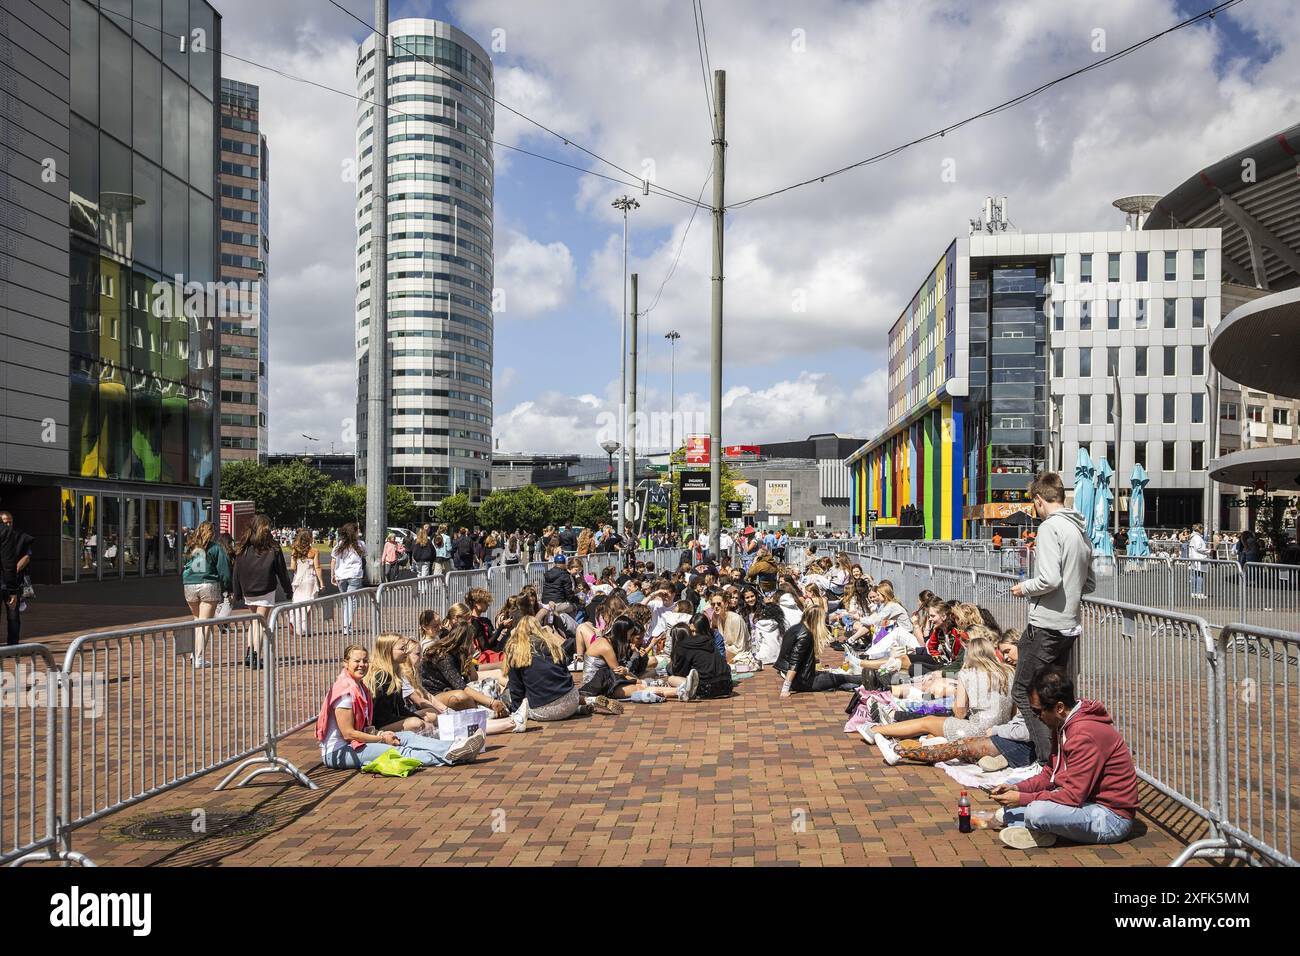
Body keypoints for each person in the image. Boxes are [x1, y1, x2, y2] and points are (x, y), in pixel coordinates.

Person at [988, 669, 1138, 849]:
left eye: (1038, 711)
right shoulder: (1062, 723)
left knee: (1036, 812)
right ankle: (1041, 829)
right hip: (1085, 802)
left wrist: (1022, 799)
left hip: (1111, 817)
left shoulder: (1084, 735)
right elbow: (1050, 774)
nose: (1037, 717)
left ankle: (1041, 829)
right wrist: (1017, 788)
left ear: (1059, 707)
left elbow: (1072, 796)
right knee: (1013, 785)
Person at [1009, 471, 1096, 763]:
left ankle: (1047, 761)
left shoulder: (1049, 528)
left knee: (1022, 691)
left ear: (1038, 500)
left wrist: (1024, 588)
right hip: (1069, 626)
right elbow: (1090, 583)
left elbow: (1047, 580)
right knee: (1057, 697)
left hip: (1046, 625)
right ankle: (1064, 757)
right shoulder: (1080, 530)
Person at [317, 644, 486, 770]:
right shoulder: (345, 692)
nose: (362, 664)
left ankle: (455, 747)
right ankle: (453, 757)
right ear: (345, 663)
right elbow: (348, 733)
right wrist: (381, 738)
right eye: (356, 661)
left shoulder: (359, 686)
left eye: (365, 660)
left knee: (407, 737)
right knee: (400, 751)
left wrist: (381, 734)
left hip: (357, 741)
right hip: (338, 751)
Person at [866, 629, 1014, 764]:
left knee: (927, 722)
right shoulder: (1009, 672)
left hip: (976, 730)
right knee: (933, 733)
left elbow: (960, 713)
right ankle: (905, 748)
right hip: (999, 732)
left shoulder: (967, 674)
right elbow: (1013, 709)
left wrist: (958, 695)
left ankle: (875, 731)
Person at [233, 514, 293, 668]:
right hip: (265, 587)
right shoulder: (272, 547)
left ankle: (249, 653)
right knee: (260, 621)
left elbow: (237, 570)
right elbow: (281, 571)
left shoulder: (243, 547)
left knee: (255, 621)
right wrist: (288, 590)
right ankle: (254, 655)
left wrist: (237, 591)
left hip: (248, 588)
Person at [775, 604, 866, 696]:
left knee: (834, 677)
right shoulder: (805, 635)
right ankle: (868, 679)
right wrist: (785, 688)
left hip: (797, 676)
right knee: (842, 678)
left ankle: (855, 684)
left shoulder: (795, 628)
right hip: (804, 681)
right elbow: (794, 662)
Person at [181, 520, 233, 667]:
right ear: (211, 533)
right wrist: (227, 588)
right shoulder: (216, 548)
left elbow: (185, 564)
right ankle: (198, 657)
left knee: (197, 620)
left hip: (190, 584)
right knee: (205, 623)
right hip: (208, 584)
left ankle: (194, 653)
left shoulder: (190, 547)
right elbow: (224, 570)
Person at [331, 523, 367, 636]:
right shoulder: (360, 544)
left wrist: (332, 574)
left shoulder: (339, 545)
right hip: (355, 575)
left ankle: (346, 625)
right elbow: (365, 555)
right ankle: (347, 626)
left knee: (346, 601)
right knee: (351, 601)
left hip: (341, 575)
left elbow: (333, 560)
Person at [289, 529, 323, 636]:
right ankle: (304, 628)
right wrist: (322, 582)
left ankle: (296, 624)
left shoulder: (295, 550)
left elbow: (292, 567)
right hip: (310, 580)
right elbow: (317, 567)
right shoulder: (314, 551)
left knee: (298, 603)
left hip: (299, 580)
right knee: (308, 604)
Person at [1, 512, 24, 646]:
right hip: (6, 583)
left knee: (13, 615)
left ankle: (13, 645)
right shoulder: (6, 534)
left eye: (10, 522)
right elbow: (8, 563)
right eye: (5, 522)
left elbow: (26, 555)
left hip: (8, 582)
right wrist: (13, 590)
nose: (8, 525)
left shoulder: (19, 536)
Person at [1187, 522, 1209, 599]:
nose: (1203, 530)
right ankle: (1198, 592)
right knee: (1199, 576)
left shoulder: (1193, 537)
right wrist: (1208, 551)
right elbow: (1198, 548)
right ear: (1199, 529)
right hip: (1199, 558)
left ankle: (1194, 592)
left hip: (1194, 558)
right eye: (1202, 529)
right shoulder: (1197, 538)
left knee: (1194, 576)